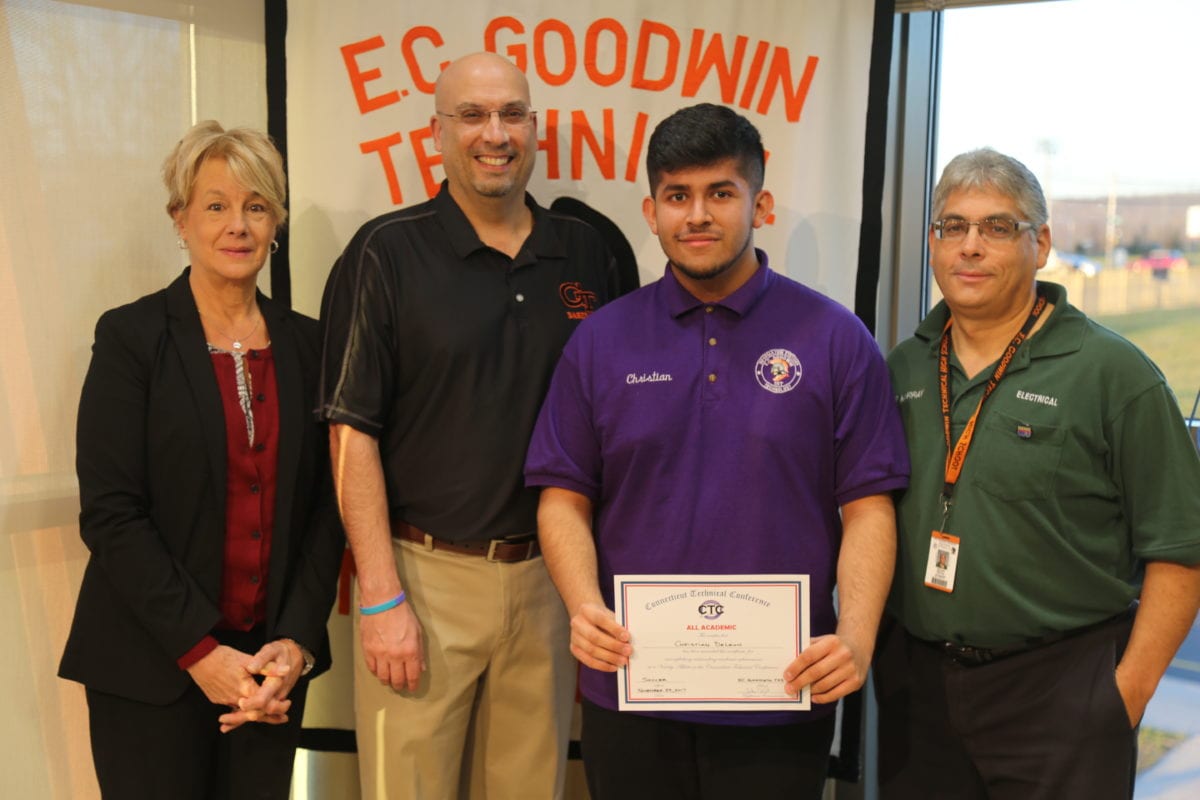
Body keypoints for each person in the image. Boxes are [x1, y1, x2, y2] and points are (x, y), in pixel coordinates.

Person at [524, 102, 910, 798]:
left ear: (759, 204)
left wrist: (855, 635)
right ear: (650, 210)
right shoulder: (600, 342)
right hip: (633, 686)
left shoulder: (835, 339)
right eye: (678, 195)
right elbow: (562, 499)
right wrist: (584, 607)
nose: (697, 215)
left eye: (720, 193)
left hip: (783, 689)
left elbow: (869, 510)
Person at [317, 52, 619, 799]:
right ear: (438, 133)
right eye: (473, 115)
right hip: (422, 580)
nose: (495, 134)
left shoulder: (588, 253)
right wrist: (381, 597)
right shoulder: (386, 252)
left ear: (535, 128)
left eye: (512, 113)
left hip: (552, 582)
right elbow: (351, 431)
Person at [875, 148, 1200, 799]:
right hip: (920, 692)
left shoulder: (1114, 374)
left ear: (1041, 243)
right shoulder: (901, 368)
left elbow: (1180, 553)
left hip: (1062, 695)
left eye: (997, 228)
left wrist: (1121, 699)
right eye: (952, 227)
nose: (970, 247)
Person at [59, 121, 344, 799]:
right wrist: (200, 651)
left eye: (255, 206)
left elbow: (329, 511)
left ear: (275, 221)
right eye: (215, 205)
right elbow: (111, 515)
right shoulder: (131, 338)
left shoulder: (311, 345)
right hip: (150, 669)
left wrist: (296, 644)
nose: (237, 225)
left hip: (269, 673)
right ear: (179, 219)